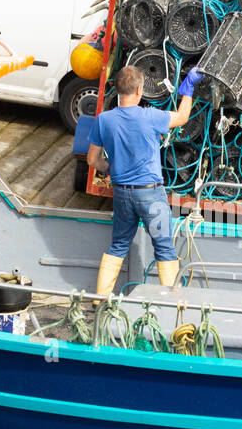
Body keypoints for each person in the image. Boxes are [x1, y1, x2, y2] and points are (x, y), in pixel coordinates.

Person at [87, 63, 204, 296]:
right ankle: (172, 304)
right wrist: (188, 86)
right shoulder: (151, 117)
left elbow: (92, 160)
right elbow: (182, 117)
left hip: (122, 192)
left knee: (118, 245)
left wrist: (110, 169)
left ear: (118, 90)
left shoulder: (104, 120)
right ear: (140, 91)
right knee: (164, 248)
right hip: (151, 194)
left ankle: (100, 300)